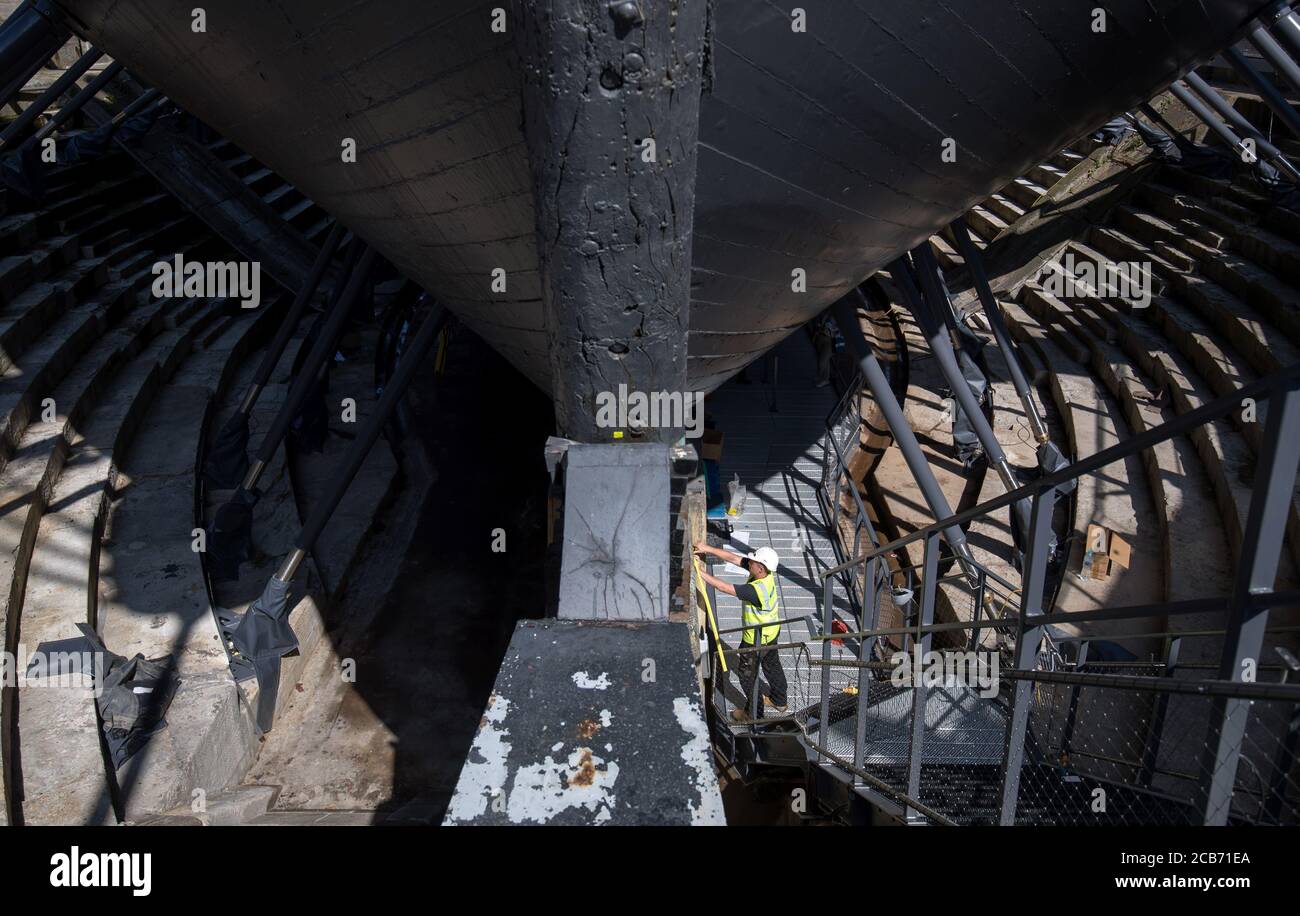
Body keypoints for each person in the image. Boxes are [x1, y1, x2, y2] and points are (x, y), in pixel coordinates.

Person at [693, 540, 788, 722]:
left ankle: (753, 714)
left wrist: (700, 572)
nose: (748, 562)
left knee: (747, 677)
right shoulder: (764, 576)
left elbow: (724, 587)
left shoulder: (756, 590)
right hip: (771, 631)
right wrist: (707, 548)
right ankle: (780, 700)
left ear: (760, 568)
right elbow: (734, 558)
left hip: (756, 640)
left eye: (752, 561)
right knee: (771, 665)